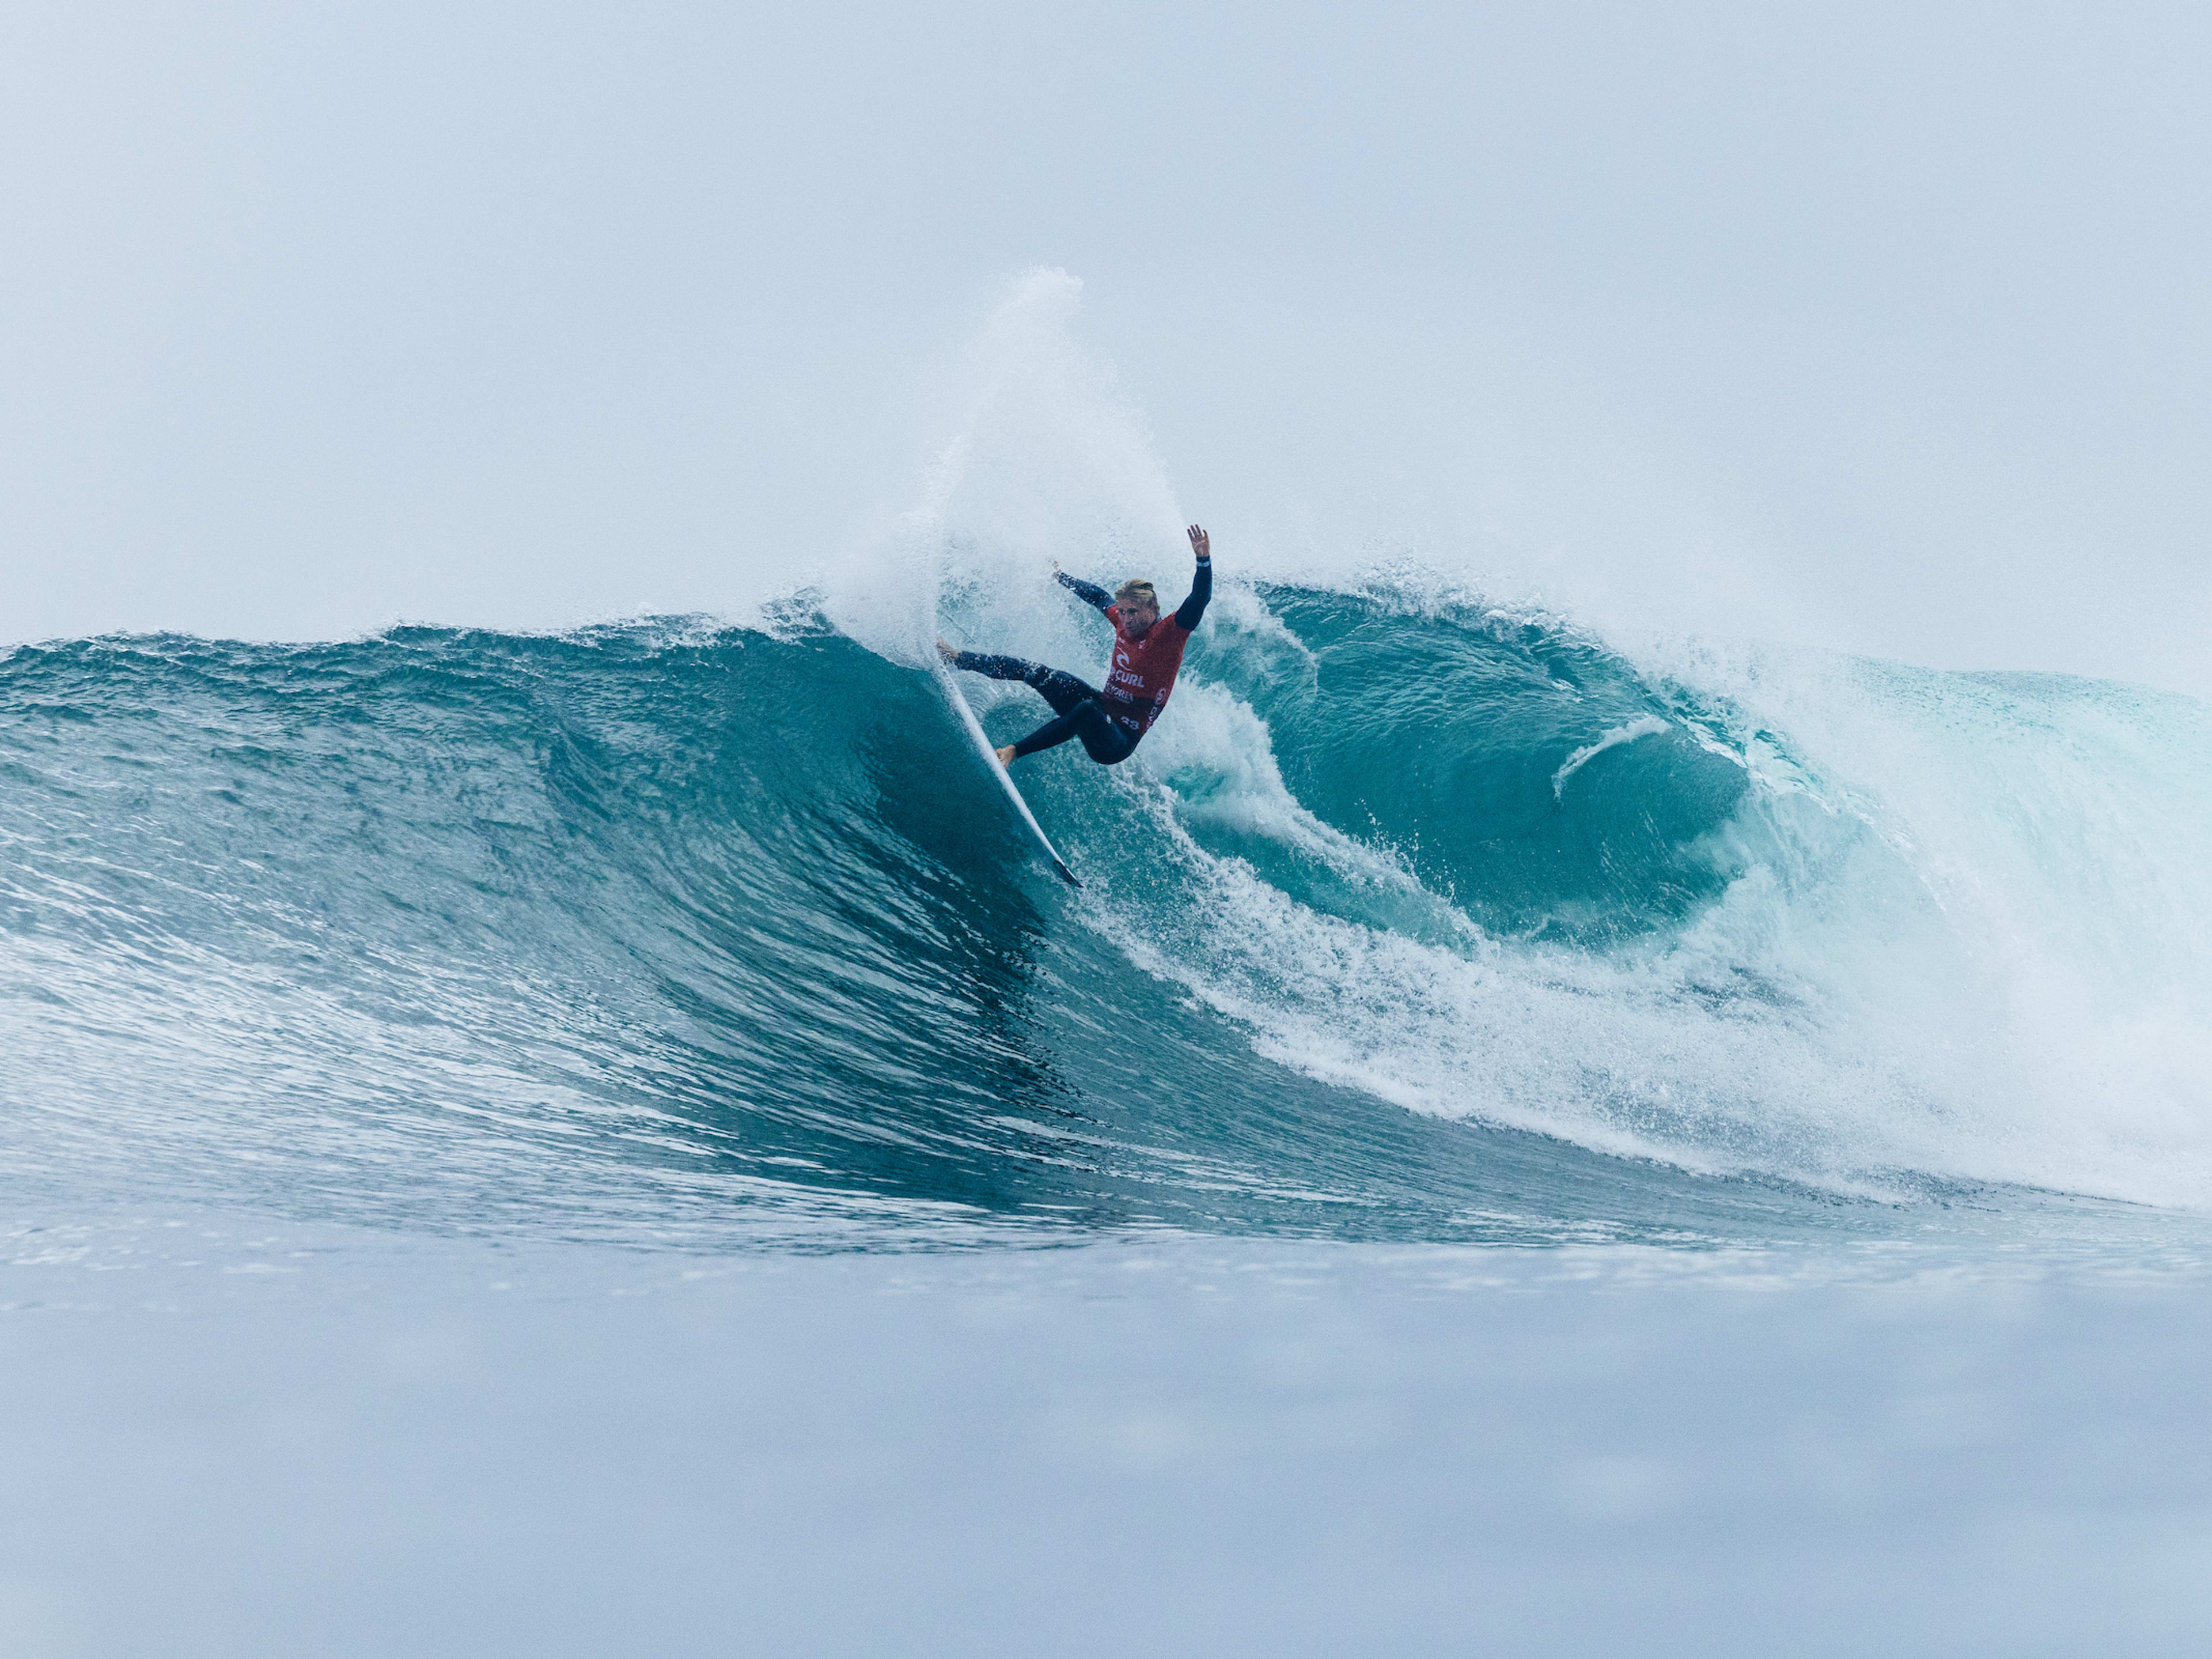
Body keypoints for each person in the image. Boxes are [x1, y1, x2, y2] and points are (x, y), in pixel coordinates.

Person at [940, 524, 1214, 767]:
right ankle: (956, 657)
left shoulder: (1170, 634)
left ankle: (1012, 752)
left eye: (1133, 612)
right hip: (1104, 706)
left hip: (1117, 741)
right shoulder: (1121, 620)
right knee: (1036, 671)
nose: (1126, 619)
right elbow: (1098, 596)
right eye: (1123, 612)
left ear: (1152, 609)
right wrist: (1060, 576)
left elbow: (1199, 599)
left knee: (1086, 709)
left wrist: (1203, 560)